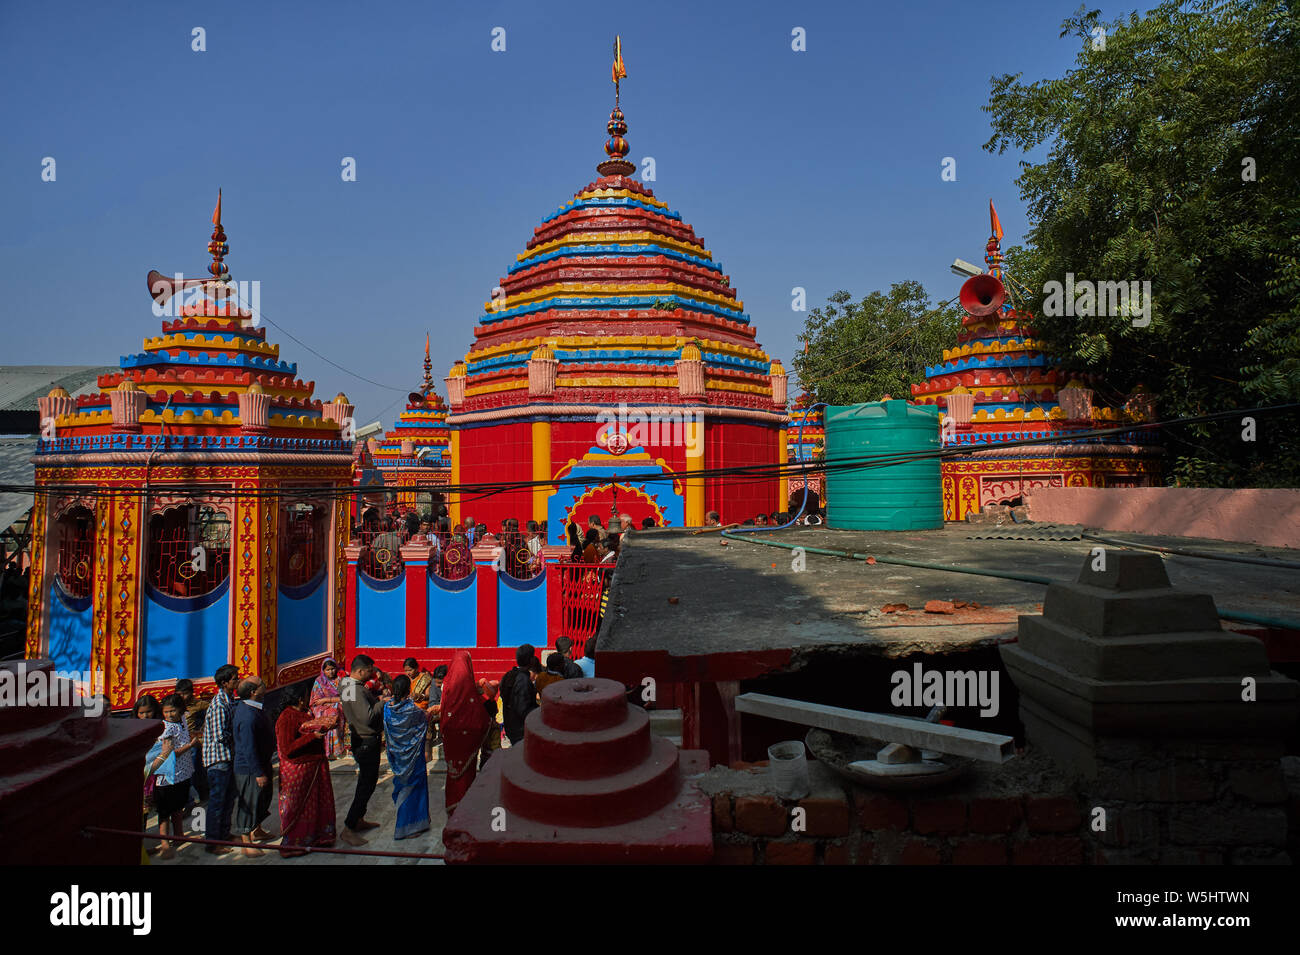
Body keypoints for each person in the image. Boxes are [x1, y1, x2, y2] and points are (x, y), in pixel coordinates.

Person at [275, 683, 350, 855]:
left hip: (314, 766)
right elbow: (287, 749)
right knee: (298, 808)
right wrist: (313, 736)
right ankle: (295, 843)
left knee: (316, 804)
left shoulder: (300, 714)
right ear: (301, 699)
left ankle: (318, 837)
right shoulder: (287, 717)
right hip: (298, 770)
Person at [145, 693, 200, 859]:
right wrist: (190, 745)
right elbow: (167, 754)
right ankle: (164, 842)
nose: (169, 715)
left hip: (182, 773)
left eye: (172, 711)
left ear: (181, 710)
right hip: (167, 776)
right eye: (166, 711)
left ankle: (178, 835)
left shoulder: (182, 720)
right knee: (164, 811)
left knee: (177, 806)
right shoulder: (166, 728)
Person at [340, 654, 386, 838]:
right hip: (366, 739)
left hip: (358, 736)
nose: (372, 673)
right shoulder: (357, 690)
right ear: (359, 671)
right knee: (366, 784)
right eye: (369, 670)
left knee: (366, 783)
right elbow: (366, 717)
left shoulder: (345, 685)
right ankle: (349, 826)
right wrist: (382, 703)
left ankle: (359, 818)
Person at [441, 651, 490, 814]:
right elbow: (479, 718)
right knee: (467, 774)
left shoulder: (447, 685)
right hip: (467, 738)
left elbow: (444, 711)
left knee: (452, 772)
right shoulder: (469, 690)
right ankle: (466, 806)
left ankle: (452, 803)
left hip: (451, 736)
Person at [383, 674, 431, 839]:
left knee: (403, 787)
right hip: (413, 757)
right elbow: (423, 722)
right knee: (414, 789)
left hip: (397, 756)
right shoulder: (412, 710)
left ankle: (414, 824)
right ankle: (407, 827)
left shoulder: (387, 708)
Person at [232, 677, 275, 857]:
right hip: (249, 769)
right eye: (261, 684)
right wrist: (258, 772)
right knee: (249, 802)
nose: (265, 685)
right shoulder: (248, 716)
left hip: (263, 762)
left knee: (262, 799)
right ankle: (246, 841)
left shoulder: (255, 708)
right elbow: (248, 748)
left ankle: (256, 828)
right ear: (253, 692)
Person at [201, 664, 241, 856]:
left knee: (228, 797)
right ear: (225, 683)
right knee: (217, 800)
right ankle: (213, 840)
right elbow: (219, 735)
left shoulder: (229, 701)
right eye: (234, 679)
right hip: (219, 759)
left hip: (228, 757)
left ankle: (224, 833)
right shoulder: (218, 705)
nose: (237, 681)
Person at [173, 679, 208, 804]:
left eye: (185, 693)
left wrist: (203, 727)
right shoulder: (174, 705)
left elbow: (210, 711)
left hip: (192, 741)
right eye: (180, 694)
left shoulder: (198, 704)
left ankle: (198, 793)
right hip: (177, 742)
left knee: (194, 767)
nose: (182, 697)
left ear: (191, 693)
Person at [499, 644, 540, 745]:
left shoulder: (508, 675)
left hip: (510, 725)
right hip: (520, 729)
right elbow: (523, 709)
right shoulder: (523, 680)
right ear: (531, 660)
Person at [310, 657, 347, 760]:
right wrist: (324, 701)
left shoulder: (341, 678)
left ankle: (336, 748)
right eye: (328, 670)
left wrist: (328, 699)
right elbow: (316, 700)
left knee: (334, 712)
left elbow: (346, 697)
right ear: (323, 670)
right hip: (322, 706)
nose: (331, 672)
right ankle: (326, 749)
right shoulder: (319, 681)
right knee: (325, 713)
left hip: (337, 704)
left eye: (332, 669)